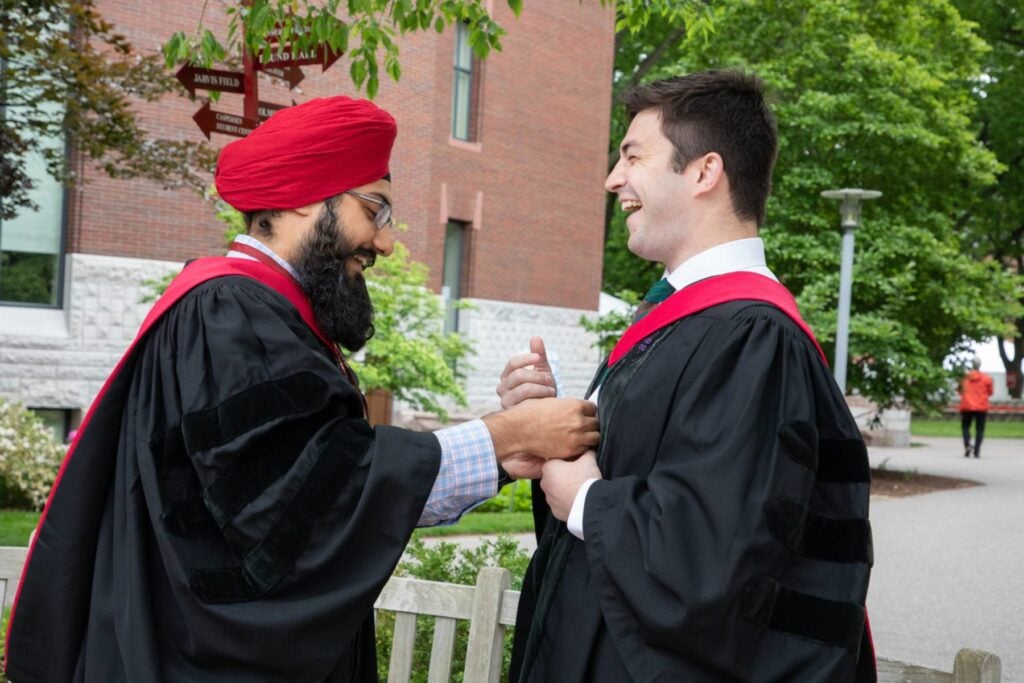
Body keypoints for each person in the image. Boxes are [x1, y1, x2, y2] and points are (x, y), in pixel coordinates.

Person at [4, 96, 599, 682]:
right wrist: (500, 437)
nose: (385, 243)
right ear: (302, 197)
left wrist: (505, 453)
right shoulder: (230, 313)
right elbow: (293, 503)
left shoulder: (263, 314)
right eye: (376, 210)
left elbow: (319, 494)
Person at [498, 70, 875, 682]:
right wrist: (553, 431)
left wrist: (590, 501)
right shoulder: (690, 322)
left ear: (704, 173)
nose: (612, 179)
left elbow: (716, 552)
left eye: (632, 156)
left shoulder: (753, 337)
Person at [959, 356, 994, 458]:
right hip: (981, 406)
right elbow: (990, 392)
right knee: (980, 429)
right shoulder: (987, 378)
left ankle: (967, 445)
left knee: (965, 427)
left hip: (967, 406)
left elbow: (960, 391)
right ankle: (977, 451)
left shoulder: (965, 378)